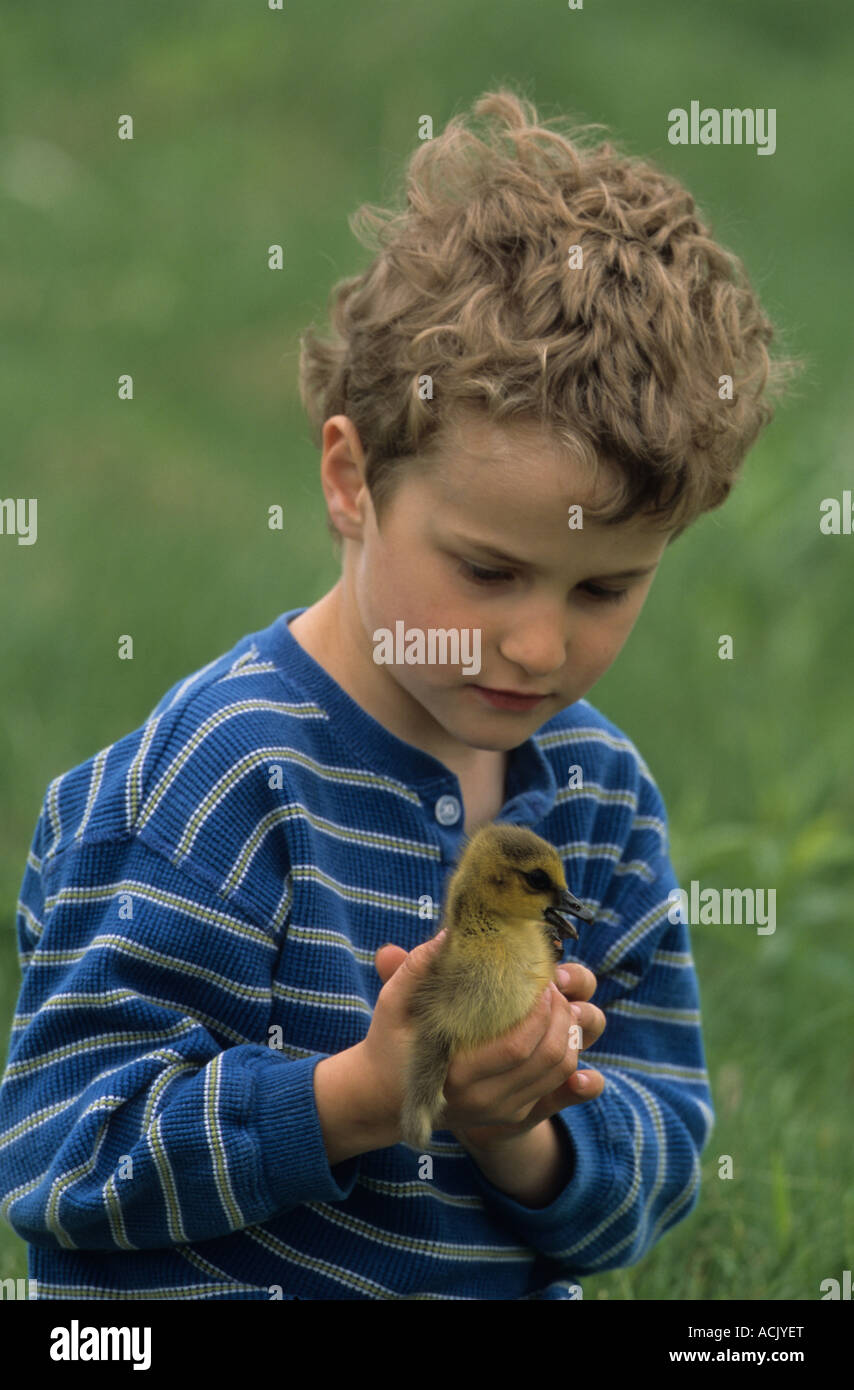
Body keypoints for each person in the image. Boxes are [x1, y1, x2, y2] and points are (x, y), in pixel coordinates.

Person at [0, 88, 798, 1299]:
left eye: (604, 589)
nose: (535, 645)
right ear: (348, 477)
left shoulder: (597, 804)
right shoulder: (223, 772)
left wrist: (517, 1125)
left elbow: (653, 1165)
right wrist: (361, 1097)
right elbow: (62, 1153)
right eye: (488, 569)